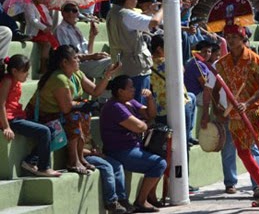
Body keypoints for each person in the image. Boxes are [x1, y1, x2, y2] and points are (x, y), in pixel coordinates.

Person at [30, 45, 118, 175]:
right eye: (75, 58)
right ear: (64, 62)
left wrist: (107, 75)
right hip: (44, 115)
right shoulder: (59, 78)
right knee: (75, 115)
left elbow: (95, 91)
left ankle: (80, 156)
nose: (78, 60)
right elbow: (66, 108)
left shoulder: (77, 74)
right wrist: (82, 104)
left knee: (85, 113)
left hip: (60, 113)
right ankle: (73, 159)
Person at [215, 24, 259, 207]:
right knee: (243, 152)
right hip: (235, 112)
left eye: (235, 35)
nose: (231, 38)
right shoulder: (222, 63)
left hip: (256, 105)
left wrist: (247, 103)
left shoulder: (255, 59)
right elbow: (216, 86)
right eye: (228, 36)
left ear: (243, 38)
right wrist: (216, 105)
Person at [100, 75, 167, 213]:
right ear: (120, 91)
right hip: (120, 151)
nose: (134, 89)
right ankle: (141, 201)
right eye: (130, 87)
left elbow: (151, 114)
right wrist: (146, 124)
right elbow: (140, 127)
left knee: (163, 154)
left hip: (134, 147)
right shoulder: (115, 107)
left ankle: (150, 197)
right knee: (159, 163)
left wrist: (149, 98)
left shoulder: (130, 102)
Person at [0, 55, 61, 177]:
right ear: (14, 71)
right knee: (44, 131)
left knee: (54, 130)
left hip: (18, 117)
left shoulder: (17, 81)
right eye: (24, 71)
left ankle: (30, 161)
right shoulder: (7, 81)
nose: (27, 74)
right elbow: (1, 104)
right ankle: (43, 168)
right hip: (11, 120)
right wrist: (6, 127)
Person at [106, 0, 162, 103]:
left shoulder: (113, 12)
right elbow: (154, 22)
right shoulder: (127, 14)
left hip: (122, 66)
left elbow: (132, 21)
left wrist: (148, 12)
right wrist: (164, 8)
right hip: (136, 69)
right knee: (138, 106)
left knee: (128, 105)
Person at [55, 3, 112, 80]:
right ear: (62, 13)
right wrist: (92, 56)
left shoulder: (76, 29)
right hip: (76, 65)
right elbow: (68, 56)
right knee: (114, 62)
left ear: (78, 13)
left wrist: (92, 36)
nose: (70, 13)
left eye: (74, 10)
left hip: (86, 63)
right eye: (67, 10)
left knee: (116, 59)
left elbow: (88, 53)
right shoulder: (61, 29)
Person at [23, 0, 58, 74]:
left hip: (44, 31)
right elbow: (32, 20)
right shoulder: (29, 5)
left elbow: (48, 18)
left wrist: (49, 24)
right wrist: (43, 27)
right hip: (35, 32)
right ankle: (43, 66)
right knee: (47, 44)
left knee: (55, 44)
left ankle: (51, 65)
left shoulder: (42, 6)